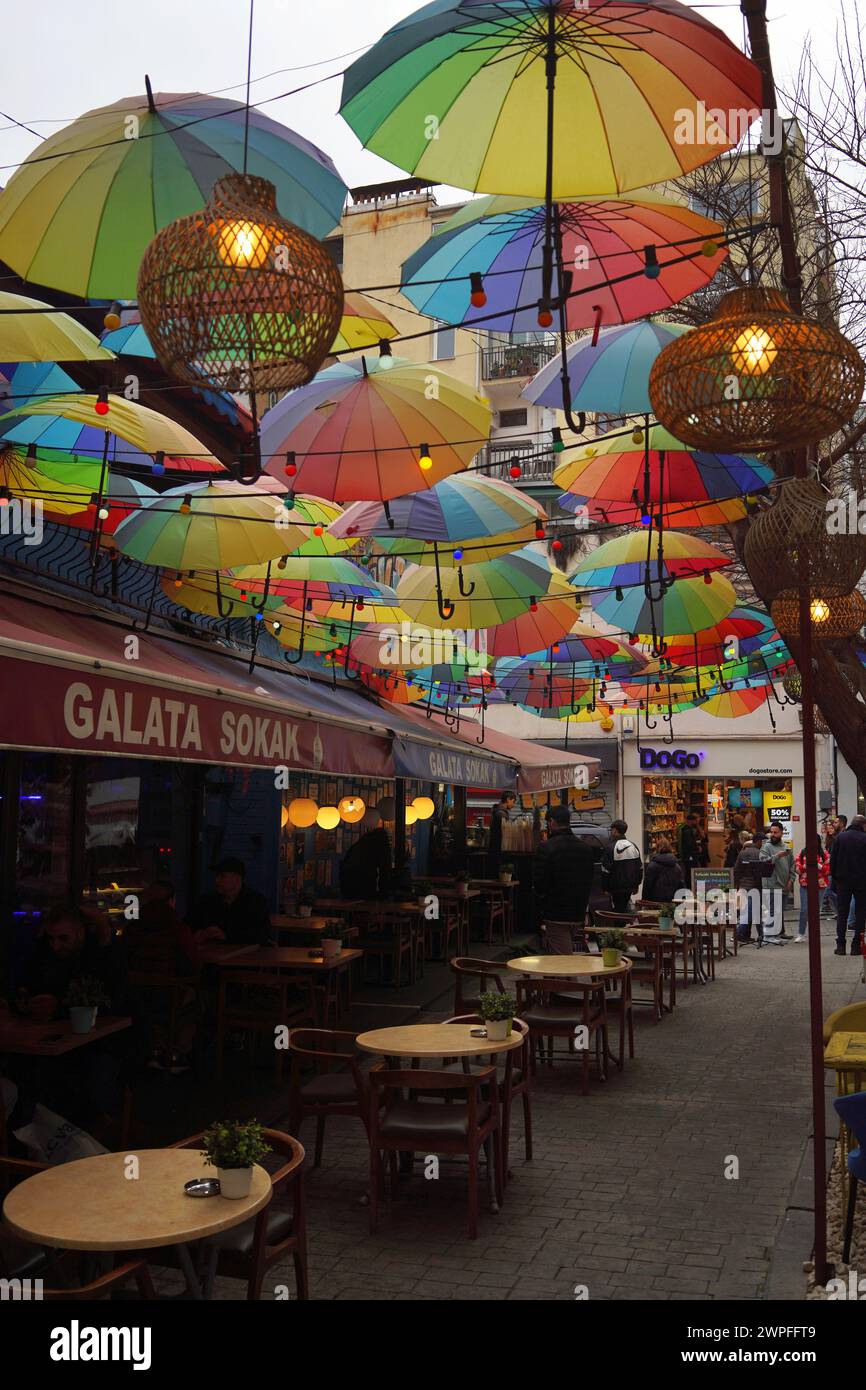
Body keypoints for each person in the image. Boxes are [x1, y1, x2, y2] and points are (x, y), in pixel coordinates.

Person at [532, 804, 595, 954]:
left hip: (555, 912)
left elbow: (540, 884)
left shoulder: (546, 848)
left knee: (563, 960)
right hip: (578, 911)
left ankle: (567, 978)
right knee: (561, 953)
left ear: (552, 822)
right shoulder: (586, 848)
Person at [191, 857, 271, 946]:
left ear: (236, 879)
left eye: (222, 876)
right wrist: (200, 933)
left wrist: (227, 936)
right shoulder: (207, 901)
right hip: (209, 955)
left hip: (245, 957)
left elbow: (262, 934)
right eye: (216, 876)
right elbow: (189, 925)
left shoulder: (255, 902)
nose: (216, 880)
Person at [829, 815, 866, 956]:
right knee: (860, 913)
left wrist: (834, 878)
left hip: (843, 881)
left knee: (842, 913)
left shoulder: (841, 838)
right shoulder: (864, 838)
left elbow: (833, 859)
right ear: (863, 825)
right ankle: (857, 945)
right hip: (862, 882)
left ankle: (841, 945)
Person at [733, 832, 774, 946]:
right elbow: (766, 869)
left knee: (748, 910)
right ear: (759, 841)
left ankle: (747, 935)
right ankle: (738, 932)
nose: (765, 844)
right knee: (752, 912)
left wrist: (737, 885)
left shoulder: (743, 852)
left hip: (743, 886)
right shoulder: (760, 853)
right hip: (755, 886)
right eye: (764, 842)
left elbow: (736, 870)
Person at [760, 821, 795, 943]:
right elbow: (763, 863)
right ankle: (769, 936)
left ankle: (776, 933)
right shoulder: (766, 847)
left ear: (781, 832)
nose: (773, 834)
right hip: (771, 884)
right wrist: (777, 856)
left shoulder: (786, 847)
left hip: (784, 885)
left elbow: (792, 865)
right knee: (772, 910)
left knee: (779, 911)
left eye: (776, 832)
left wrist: (791, 880)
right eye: (771, 832)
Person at [339, 825, 392, 900]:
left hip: (347, 883)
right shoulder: (381, 843)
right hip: (363, 883)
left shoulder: (361, 843)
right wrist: (384, 895)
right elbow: (385, 870)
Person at [600, 820, 643, 914]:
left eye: (612, 830)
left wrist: (605, 888)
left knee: (617, 912)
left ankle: (620, 926)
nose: (611, 832)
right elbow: (639, 868)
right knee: (624, 909)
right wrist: (637, 885)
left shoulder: (610, 848)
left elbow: (605, 870)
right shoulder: (633, 846)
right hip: (629, 887)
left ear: (615, 830)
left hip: (616, 888)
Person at [793, 837, 830, 942]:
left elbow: (828, 870)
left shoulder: (824, 853)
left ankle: (814, 933)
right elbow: (797, 868)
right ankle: (801, 933)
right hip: (805, 884)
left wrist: (819, 866)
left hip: (820, 885)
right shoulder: (803, 852)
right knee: (804, 909)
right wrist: (804, 866)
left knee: (816, 910)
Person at [642, 836, 685, 904]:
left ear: (657, 848)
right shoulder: (677, 866)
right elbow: (681, 886)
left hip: (655, 902)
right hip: (672, 902)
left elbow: (647, 886)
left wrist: (644, 901)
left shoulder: (653, 865)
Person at [488, 791, 516, 879]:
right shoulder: (501, 814)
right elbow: (504, 832)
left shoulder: (498, 812)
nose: (514, 804)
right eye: (513, 801)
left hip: (494, 848)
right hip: (499, 849)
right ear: (508, 799)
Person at [676, 813, 701, 879]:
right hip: (690, 856)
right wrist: (696, 849)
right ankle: (690, 887)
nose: (696, 822)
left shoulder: (685, 829)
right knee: (691, 873)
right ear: (691, 821)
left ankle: (690, 886)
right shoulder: (687, 830)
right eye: (695, 820)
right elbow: (689, 844)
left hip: (688, 855)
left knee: (689, 873)